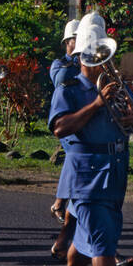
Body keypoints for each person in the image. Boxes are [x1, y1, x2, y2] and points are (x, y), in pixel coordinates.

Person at [50, 18, 133, 266]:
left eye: (103, 56)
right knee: (102, 241)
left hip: (115, 170)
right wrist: (96, 104)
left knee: (88, 238)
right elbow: (60, 128)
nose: (100, 64)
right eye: (93, 58)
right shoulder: (69, 89)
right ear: (80, 57)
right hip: (86, 174)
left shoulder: (115, 85)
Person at [49, 19, 79, 222]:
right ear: (67, 42)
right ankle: (63, 206)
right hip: (66, 119)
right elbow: (60, 79)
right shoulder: (60, 64)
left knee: (74, 161)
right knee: (75, 158)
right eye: (76, 39)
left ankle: (60, 205)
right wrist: (78, 61)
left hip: (84, 119)